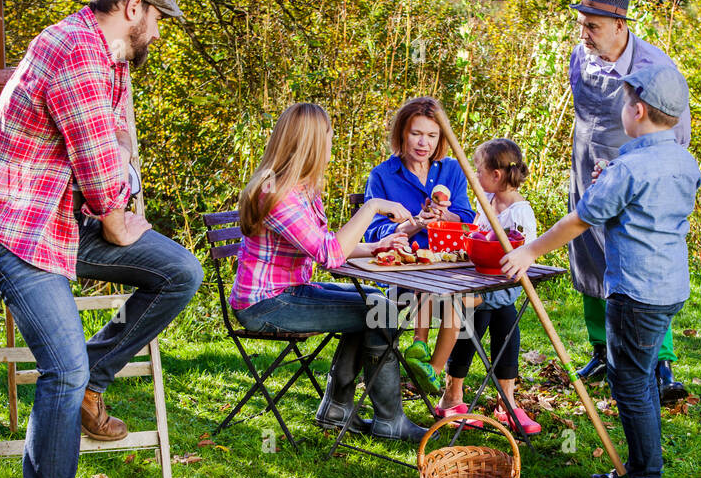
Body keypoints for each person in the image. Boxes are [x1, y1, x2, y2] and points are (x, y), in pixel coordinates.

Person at [0, 0, 203, 478]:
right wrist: (123, 214)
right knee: (61, 367)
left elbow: (112, 172)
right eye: (160, 20)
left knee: (181, 271)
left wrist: (124, 205)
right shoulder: (81, 59)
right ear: (134, 9)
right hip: (13, 227)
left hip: (57, 218)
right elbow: (114, 217)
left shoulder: (108, 61)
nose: (161, 34)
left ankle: (95, 383)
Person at [502, 64, 700, 478]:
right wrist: (611, 180)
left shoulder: (629, 167)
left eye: (624, 105)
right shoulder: (683, 160)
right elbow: (645, 206)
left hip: (635, 291)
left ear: (639, 109)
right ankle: (637, 468)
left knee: (629, 384)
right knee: (643, 378)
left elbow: (579, 220)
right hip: (669, 287)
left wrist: (530, 252)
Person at [229, 102, 428, 443]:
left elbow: (325, 247)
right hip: (265, 305)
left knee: (374, 302)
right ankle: (389, 419)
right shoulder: (277, 195)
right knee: (378, 311)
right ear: (311, 142)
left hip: (290, 292)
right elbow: (330, 254)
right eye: (329, 134)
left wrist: (375, 248)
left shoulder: (304, 189)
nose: (333, 140)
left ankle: (338, 408)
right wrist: (373, 206)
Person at [567, 0, 690, 405]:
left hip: (637, 174)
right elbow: (583, 109)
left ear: (620, 26)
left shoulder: (655, 68)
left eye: (594, 26)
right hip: (588, 164)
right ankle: (602, 351)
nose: (585, 34)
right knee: (588, 255)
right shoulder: (580, 56)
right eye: (582, 24)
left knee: (637, 260)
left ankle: (662, 363)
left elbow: (677, 133)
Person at [361, 96, 476, 394]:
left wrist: (444, 215)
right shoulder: (383, 175)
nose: (423, 143)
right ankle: (427, 363)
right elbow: (373, 234)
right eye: (416, 133)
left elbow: (466, 217)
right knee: (463, 302)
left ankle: (431, 370)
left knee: (483, 305)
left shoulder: (451, 170)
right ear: (402, 133)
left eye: (432, 135)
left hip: (450, 269)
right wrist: (413, 224)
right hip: (404, 277)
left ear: (440, 139)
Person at [436, 138, 541, 435]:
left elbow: (520, 254)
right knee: (493, 314)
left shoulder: (520, 213)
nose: (475, 178)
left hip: (502, 283)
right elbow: (479, 238)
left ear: (496, 175)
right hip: (480, 281)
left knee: (493, 312)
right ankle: (462, 397)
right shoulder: (488, 201)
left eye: (479, 171)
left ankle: (483, 398)